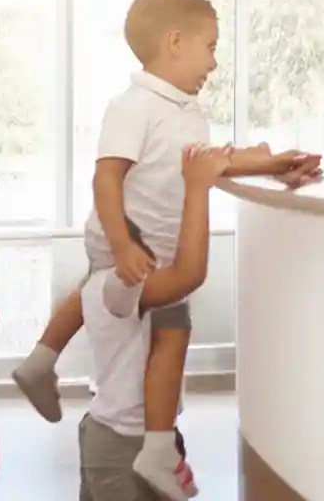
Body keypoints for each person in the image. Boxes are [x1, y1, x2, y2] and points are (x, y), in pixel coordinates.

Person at [11, 0, 321, 500]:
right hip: (131, 243)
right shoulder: (134, 106)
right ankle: (154, 445)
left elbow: (208, 160)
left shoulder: (184, 110)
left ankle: (43, 361)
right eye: (210, 47)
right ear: (175, 41)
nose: (215, 63)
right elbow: (106, 179)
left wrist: (274, 165)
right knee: (171, 327)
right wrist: (121, 243)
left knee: (126, 312)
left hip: (151, 246)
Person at [79, 144, 230, 501]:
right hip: (122, 446)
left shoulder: (106, 286)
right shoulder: (116, 287)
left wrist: (277, 165)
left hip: (127, 437)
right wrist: (197, 189)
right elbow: (189, 273)